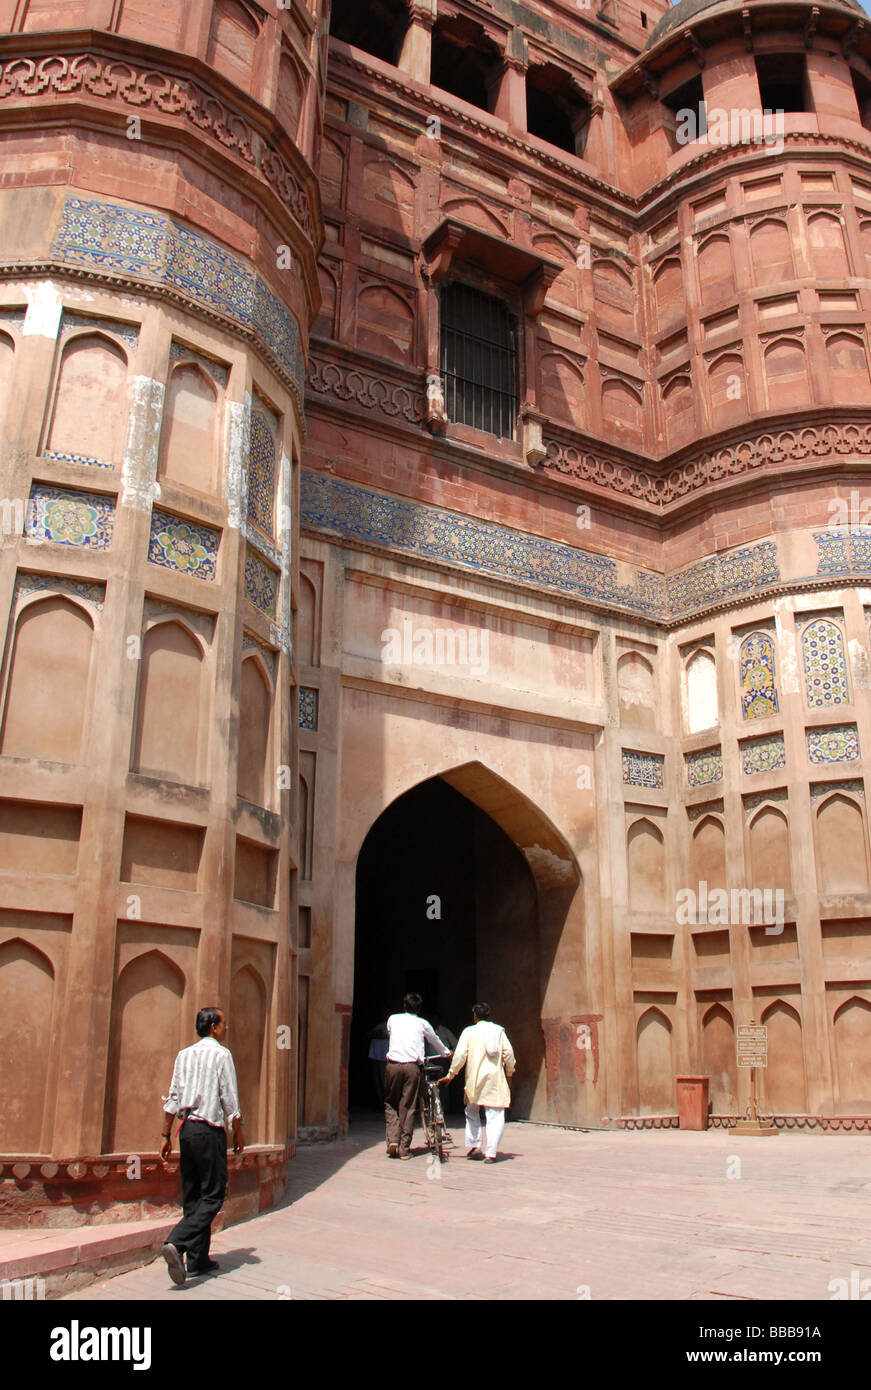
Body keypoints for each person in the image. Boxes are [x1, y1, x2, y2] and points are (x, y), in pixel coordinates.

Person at [158, 1006, 245, 1285]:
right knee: (213, 1196)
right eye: (223, 1024)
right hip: (209, 1131)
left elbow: (173, 1097)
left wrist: (164, 1135)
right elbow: (229, 1097)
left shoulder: (184, 1055)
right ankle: (177, 1242)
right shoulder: (221, 1054)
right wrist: (238, 1132)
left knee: (193, 1195)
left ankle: (198, 1260)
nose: (226, 1028)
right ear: (213, 1027)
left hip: (187, 1132)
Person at [438, 1003, 515, 1163]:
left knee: (472, 1110)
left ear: (475, 1015)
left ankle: (475, 1146)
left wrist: (451, 1075)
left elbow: (459, 1056)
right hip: (495, 1079)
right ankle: (491, 1153)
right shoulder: (499, 1031)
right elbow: (509, 1054)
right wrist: (509, 1074)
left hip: (475, 1078)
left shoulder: (469, 1032)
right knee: (495, 1114)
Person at [384, 992, 450, 1159]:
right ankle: (404, 1148)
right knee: (408, 1106)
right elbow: (435, 1041)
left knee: (391, 1102)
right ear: (419, 1008)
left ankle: (393, 1139)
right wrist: (445, 1052)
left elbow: (391, 1033)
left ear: (404, 1005)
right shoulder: (423, 1023)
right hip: (412, 1068)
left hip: (393, 1066)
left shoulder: (393, 1019)